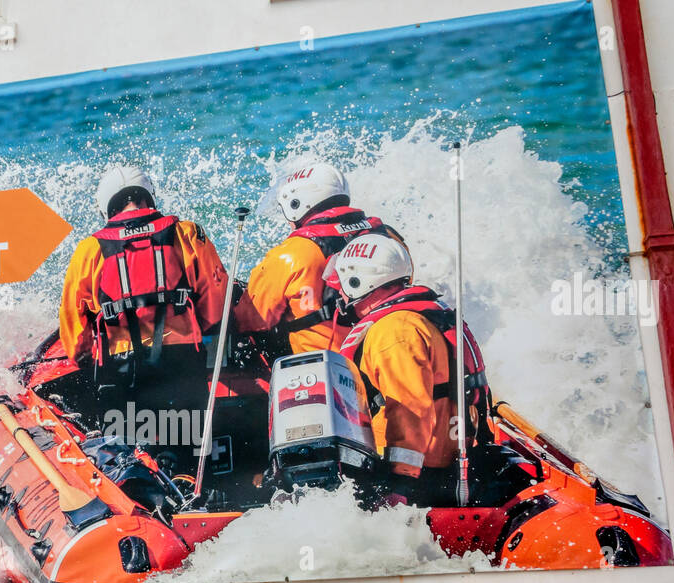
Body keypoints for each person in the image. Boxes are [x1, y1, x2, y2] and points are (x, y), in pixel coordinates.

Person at [58, 166, 237, 471]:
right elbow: (215, 303)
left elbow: (75, 335)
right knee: (185, 452)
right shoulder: (187, 233)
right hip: (181, 364)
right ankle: (187, 486)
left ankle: (138, 499)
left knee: (124, 458)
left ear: (106, 207)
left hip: (121, 371)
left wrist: (84, 359)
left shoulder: (89, 249)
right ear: (149, 197)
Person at [324, 234, 494, 506]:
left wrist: (399, 484)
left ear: (359, 282)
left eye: (343, 285)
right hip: (446, 458)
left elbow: (409, 411)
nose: (339, 293)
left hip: (421, 475)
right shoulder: (422, 315)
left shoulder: (394, 332)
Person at [240, 162, 404, 356]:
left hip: (330, 371)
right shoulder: (388, 236)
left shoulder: (292, 253)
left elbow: (249, 319)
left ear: (297, 205)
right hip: (388, 352)